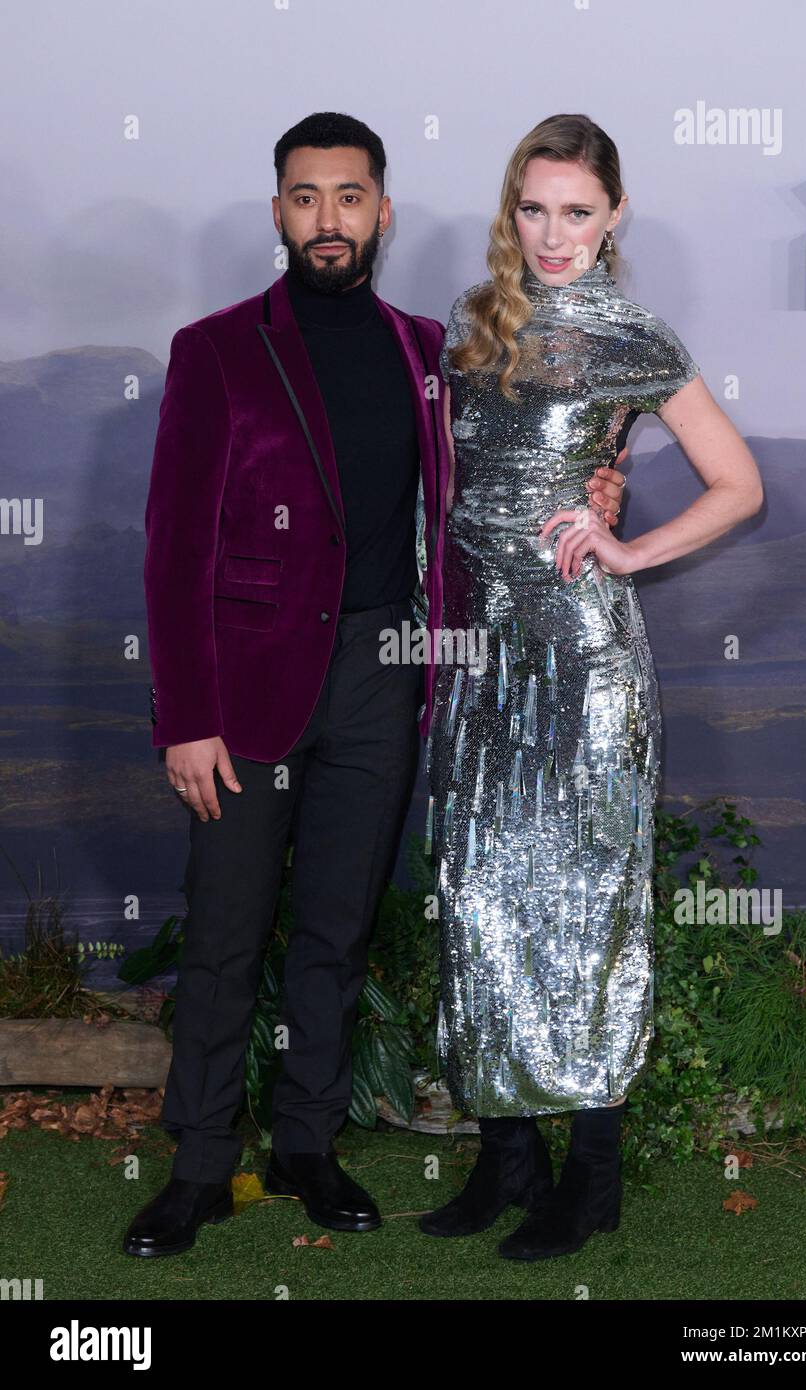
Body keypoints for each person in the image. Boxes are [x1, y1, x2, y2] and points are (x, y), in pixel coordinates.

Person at [125, 107, 634, 1259]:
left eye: (348, 197)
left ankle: (305, 1144)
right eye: (305, 198)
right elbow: (171, 549)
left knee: (335, 932)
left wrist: (603, 488)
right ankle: (199, 1164)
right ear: (278, 213)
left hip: (384, 674)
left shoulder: (423, 351)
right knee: (223, 935)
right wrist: (187, 719)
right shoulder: (214, 349)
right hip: (246, 696)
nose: (327, 219)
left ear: (381, 211)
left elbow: (511, 469)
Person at [419, 113, 763, 1261]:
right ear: (508, 210)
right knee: (480, 896)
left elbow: (737, 485)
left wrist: (625, 545)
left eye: (577, 210)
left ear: (613, 215)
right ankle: (503, 1160)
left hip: (581, 659)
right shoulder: (475, 324)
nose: (553, 233)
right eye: (533, 208)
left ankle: (592, 1175)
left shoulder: (633, 337)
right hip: (482, 658)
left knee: (585, 911)